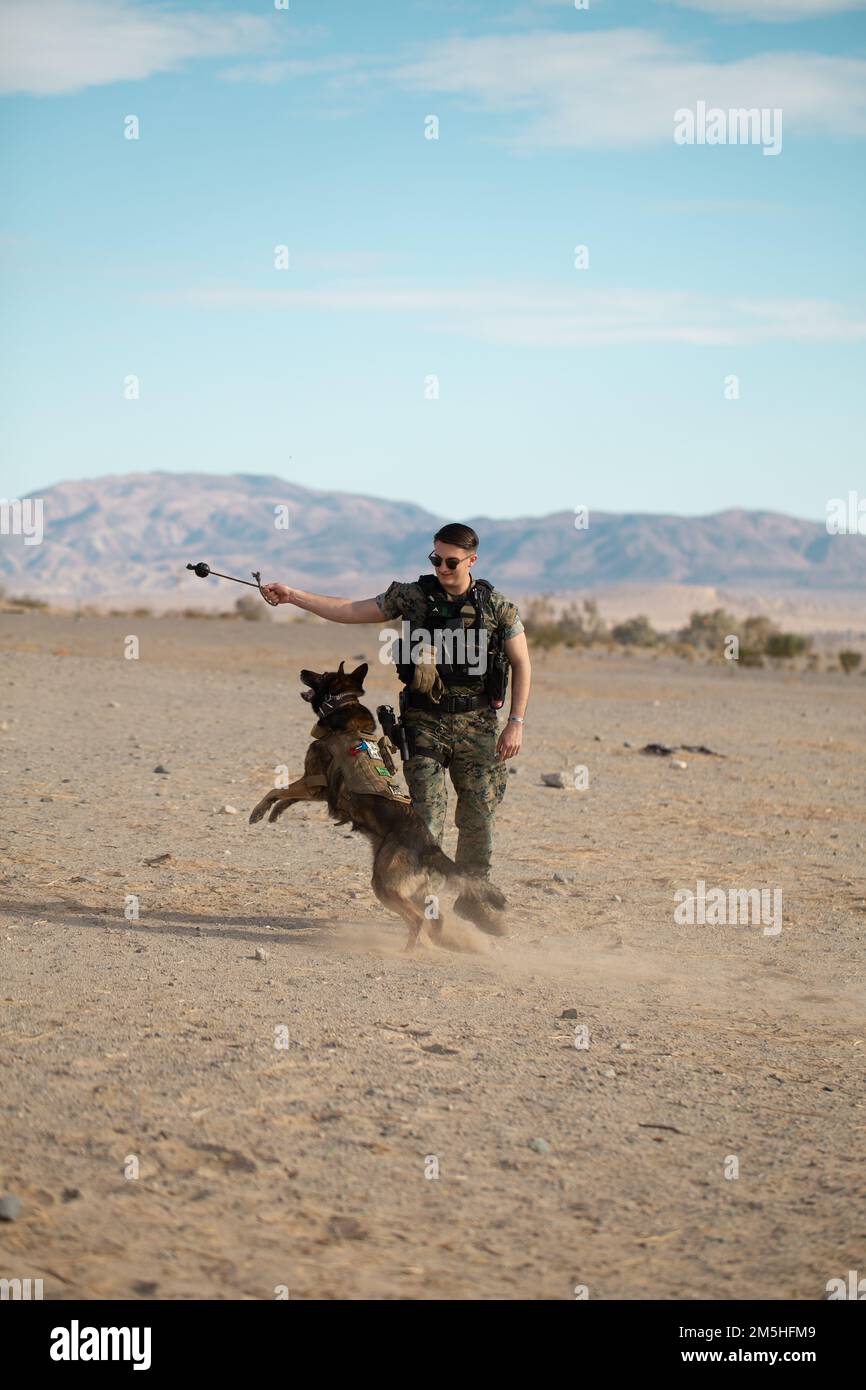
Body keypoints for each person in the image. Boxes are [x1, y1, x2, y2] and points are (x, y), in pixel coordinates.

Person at [261, 522, 531, 888]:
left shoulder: (496, 607)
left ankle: (474, 891)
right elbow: (350, 610)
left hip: (478, 723)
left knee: (478, 815)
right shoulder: (413, 597)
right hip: (424, 722)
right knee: (426, 817)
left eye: (451, 562)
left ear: (472, 561)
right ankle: (428, 900)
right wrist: (293, 596)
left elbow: (521, 662)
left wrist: (516, 721)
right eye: (436, 558)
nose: (441, 568)